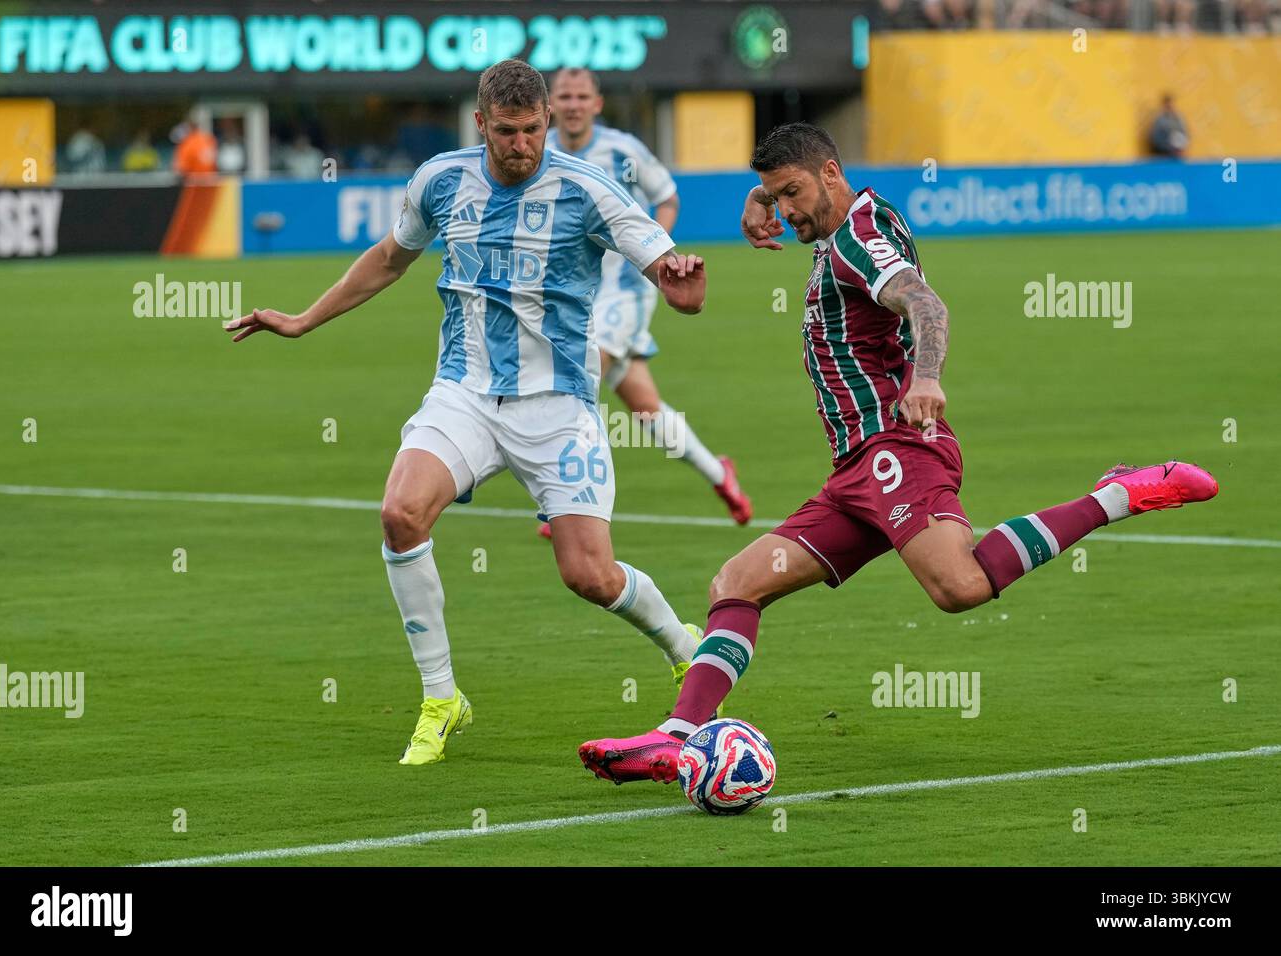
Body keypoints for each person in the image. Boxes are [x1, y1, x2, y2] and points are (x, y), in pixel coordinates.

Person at [577, 123, 1218, 784]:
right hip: (855, 470)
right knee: (737, 583)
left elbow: (923, 302)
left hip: (896, 450)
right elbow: (807, 192)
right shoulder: (846, 217)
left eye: (791, 192)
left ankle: (1119, 493)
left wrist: (928, 378)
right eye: (777, 195)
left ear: (830, 173)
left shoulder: (857, 238)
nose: (786, 208)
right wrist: (763, 198)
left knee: (958, 585)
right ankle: (678, 738)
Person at [223, 59, 710, 766]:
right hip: (466, 394)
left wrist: (684, 289)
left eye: (534, 131)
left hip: (559, 406)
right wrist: (304, 319)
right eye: (508, 132)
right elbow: (390, 259)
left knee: (590, 576)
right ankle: (442, 696)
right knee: (400, 513)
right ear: (480, 124)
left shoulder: (589, 190)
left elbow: (671, 276)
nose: (522, 146)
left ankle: (681, 647)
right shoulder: (441, 179)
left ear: (548, 122)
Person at [541, 68, 751, 538]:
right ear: (551, 105)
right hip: (575, 294)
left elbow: (667, 196)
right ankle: (721, 475)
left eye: (581, 96)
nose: (573, 105)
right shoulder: (540, 152)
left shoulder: (623, 150)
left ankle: (569, 499)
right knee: (646, 409)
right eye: (564, 97)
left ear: (597, 103)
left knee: (580, 375)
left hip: (628, 288)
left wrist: (656, 250)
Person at [1149, 94, 1189, 159]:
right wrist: (1169, 147)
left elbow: (1185, 134)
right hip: (1164, 154)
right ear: (1164, 106)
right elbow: (1155, 139)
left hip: (1178, 155)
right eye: (1167, 105)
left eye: (1171, 104)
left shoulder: (1179, 119)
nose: (1169, 106)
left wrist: (1180, 147)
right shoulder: (1159, 120)